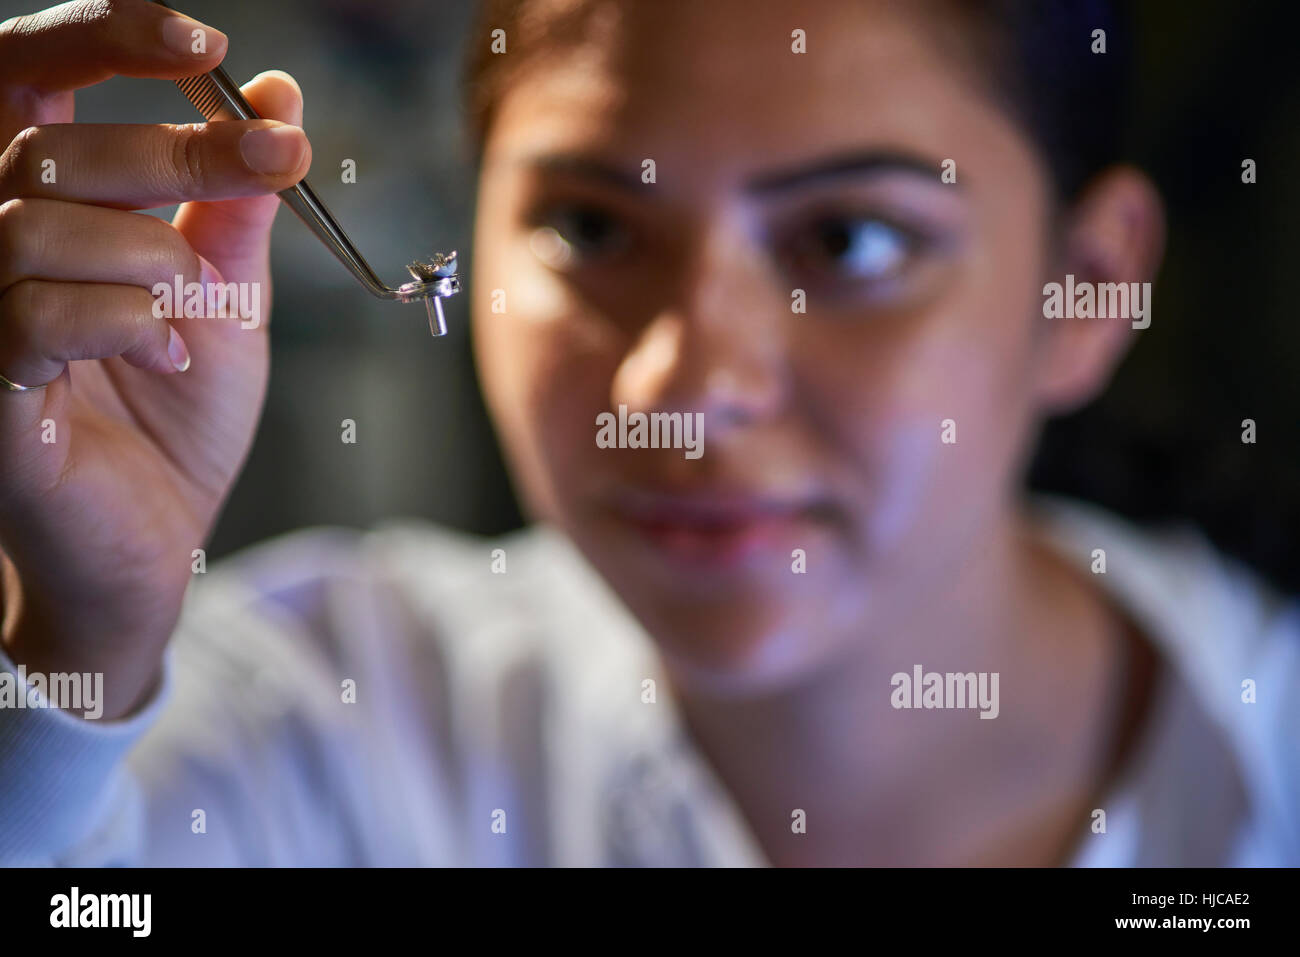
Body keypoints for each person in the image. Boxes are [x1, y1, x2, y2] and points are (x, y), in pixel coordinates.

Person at [0, 0, 1295, 867]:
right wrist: (80, 640)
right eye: (591, 229)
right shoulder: (331, 718)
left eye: (849, 240)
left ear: (1090, 285)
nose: (682, 385)